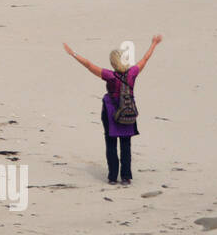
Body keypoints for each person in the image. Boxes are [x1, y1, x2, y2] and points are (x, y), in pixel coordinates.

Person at [62, 35, 163, 184]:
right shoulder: (133, 72)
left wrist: (73, 54)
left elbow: (89, 65)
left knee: (110, 144)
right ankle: (126, 176)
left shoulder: (110, 76)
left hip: (111, 112)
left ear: (113, 63)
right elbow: (145, 59)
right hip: (128, 111)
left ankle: (112, 177)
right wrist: (154, 43)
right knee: (126, 144)